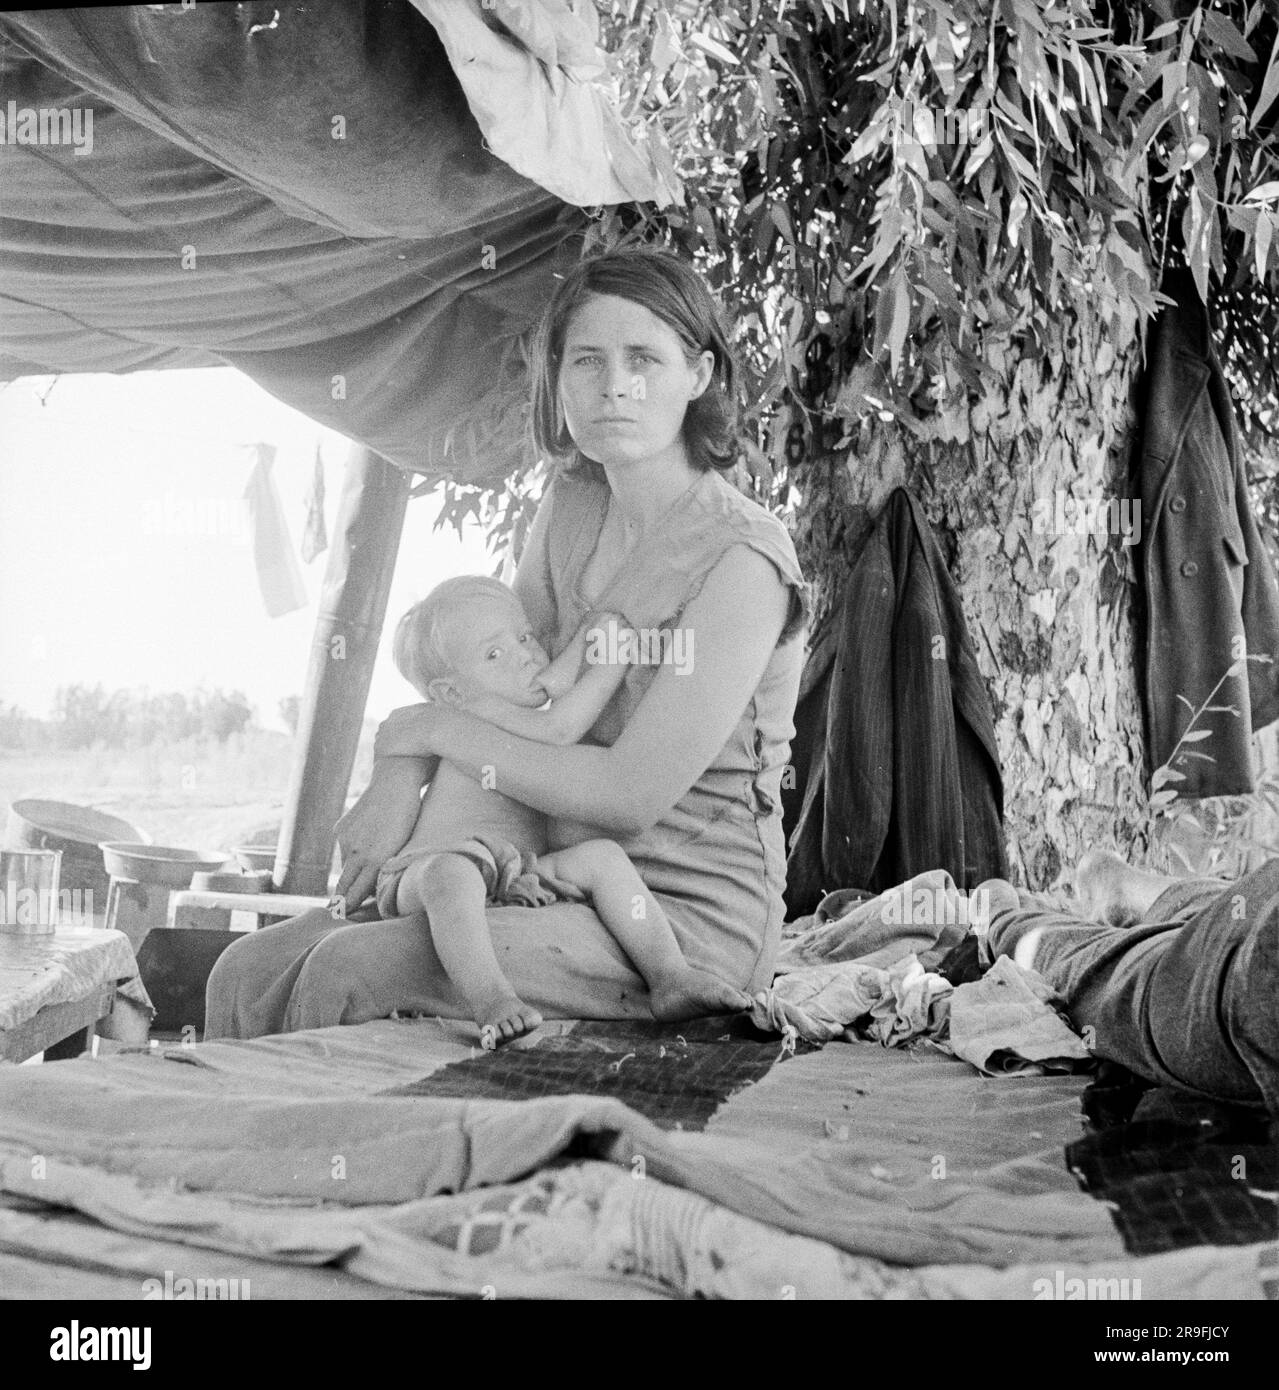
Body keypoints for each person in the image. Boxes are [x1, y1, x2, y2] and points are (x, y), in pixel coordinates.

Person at [205, 247, 809, 1039]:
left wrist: (416, 729)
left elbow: (629, 796)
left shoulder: (741, 560)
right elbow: (495, 687)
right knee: (242, 970)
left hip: (672, 914)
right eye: (586, 359)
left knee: (346, 973)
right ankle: (220, 1161)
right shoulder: (573, 502)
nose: (613, 386)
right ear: (556, 377)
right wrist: (398, 774)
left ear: (697, 375)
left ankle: (340, 1160)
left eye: (643, 359)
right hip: (536, 870)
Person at [378, 575, 750, 1047]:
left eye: (524, 636)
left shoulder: (513, 713)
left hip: (515, 873)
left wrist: (603, 632)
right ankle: (491, 999)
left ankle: (670, 975)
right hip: (425, 872)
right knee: (455, 873)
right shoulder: (474, 718)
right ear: (452, 694)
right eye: (495, 655)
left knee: (603, 858)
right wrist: (614, 646)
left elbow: (560, 699)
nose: (527, 655)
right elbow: (563, 725)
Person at [978, 849, 1279, 1113]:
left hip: (1249, 936)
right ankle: (1001, 919)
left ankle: (1123, 889)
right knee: (1080, 963)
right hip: (1246, 971)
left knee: (1219, 916)